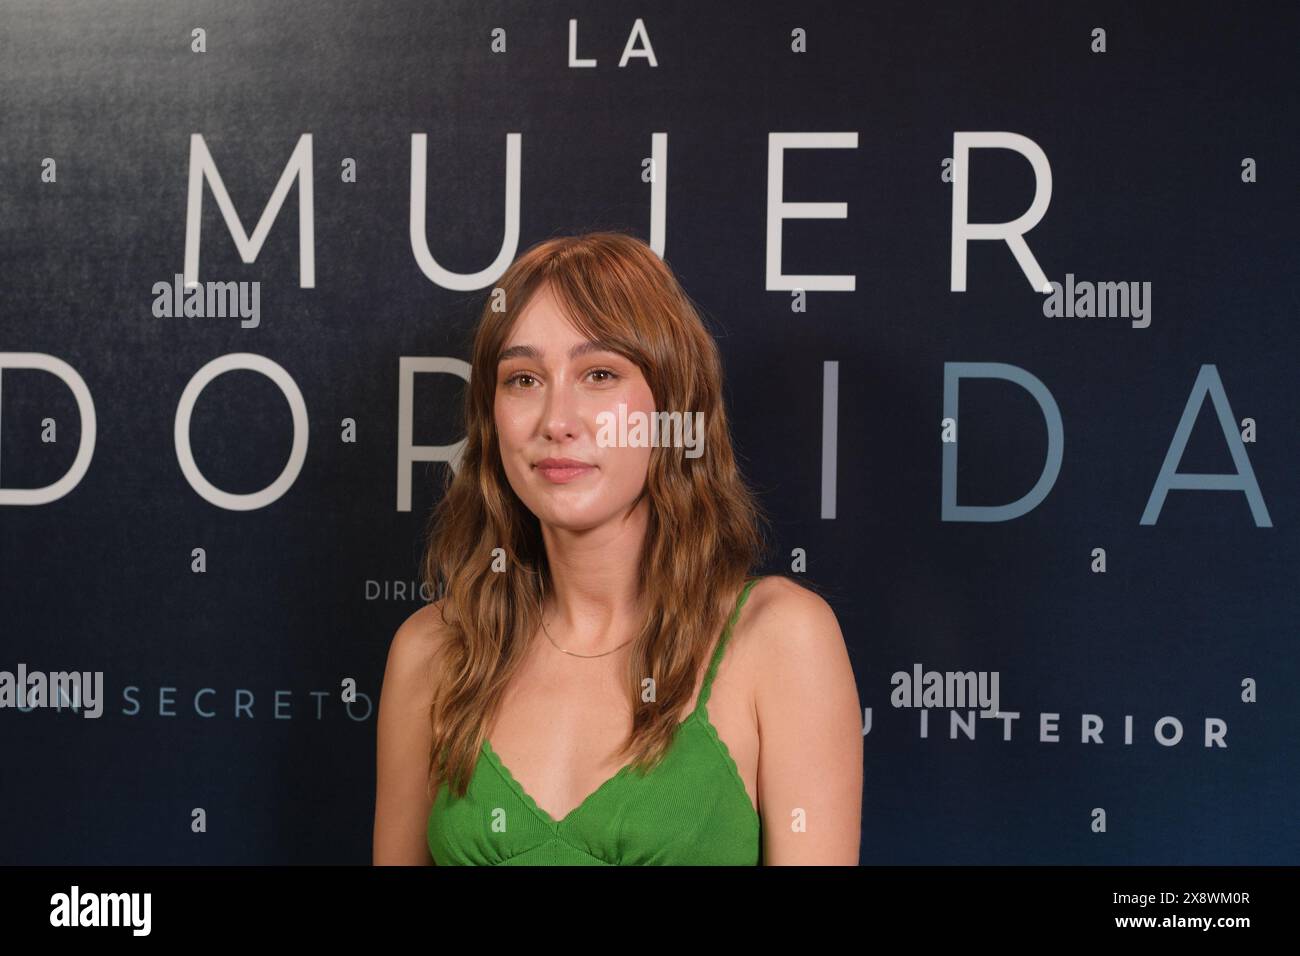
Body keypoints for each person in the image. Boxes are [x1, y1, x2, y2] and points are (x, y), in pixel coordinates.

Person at [373, 231, 861, 865]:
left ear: (673, 407)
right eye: (522, 379)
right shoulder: (432, 652)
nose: (557, 419)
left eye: (599, 374)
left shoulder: (780, 638)